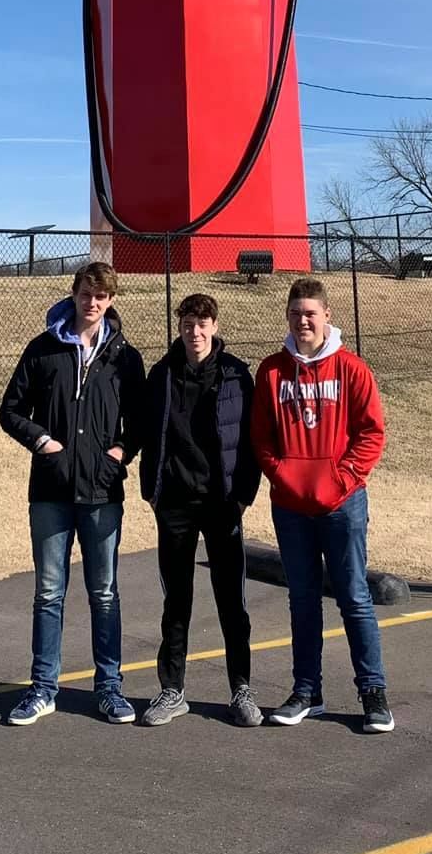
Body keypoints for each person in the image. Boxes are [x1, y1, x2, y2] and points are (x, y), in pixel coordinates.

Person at [0, 260, 144, 726]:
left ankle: (110, 688)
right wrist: (43, 441)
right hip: (51, 490)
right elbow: (11, 409)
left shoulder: (125, 356)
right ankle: (43, 687)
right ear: (74, 293)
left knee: (103, 593)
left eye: (101, 295)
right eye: (86, 293)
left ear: (111, 300)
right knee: (48, 592)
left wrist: (120, 451)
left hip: (102, 491)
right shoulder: (43, 349)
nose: (93, 301)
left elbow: (140, 419)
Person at [251, 274, 393, 733]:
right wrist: (285, 477)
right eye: (295, 314)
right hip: (291, 505)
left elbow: (371, 433)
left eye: (310, 314)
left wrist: (341, 479)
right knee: (303, 600)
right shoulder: (271, 370)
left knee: (354, 597)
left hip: (342, 504)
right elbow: (262, 437)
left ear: (327, 315)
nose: (302, 321)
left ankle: (373, 693)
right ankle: (306, 690)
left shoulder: (352, 369)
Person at [136, 292, 262, 729]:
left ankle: (241, 688)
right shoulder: (161, 375)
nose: (195, 331)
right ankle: (172, 690)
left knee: (232, 601)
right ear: (180, 327)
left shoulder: (236, 375)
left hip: (222, 502)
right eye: (188, 323)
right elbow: (144, 430)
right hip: (174, 502)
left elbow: (252, 439)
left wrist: (244, 493)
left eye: (202, 323)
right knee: (177, 601)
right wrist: (151, 491)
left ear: (215, 325)